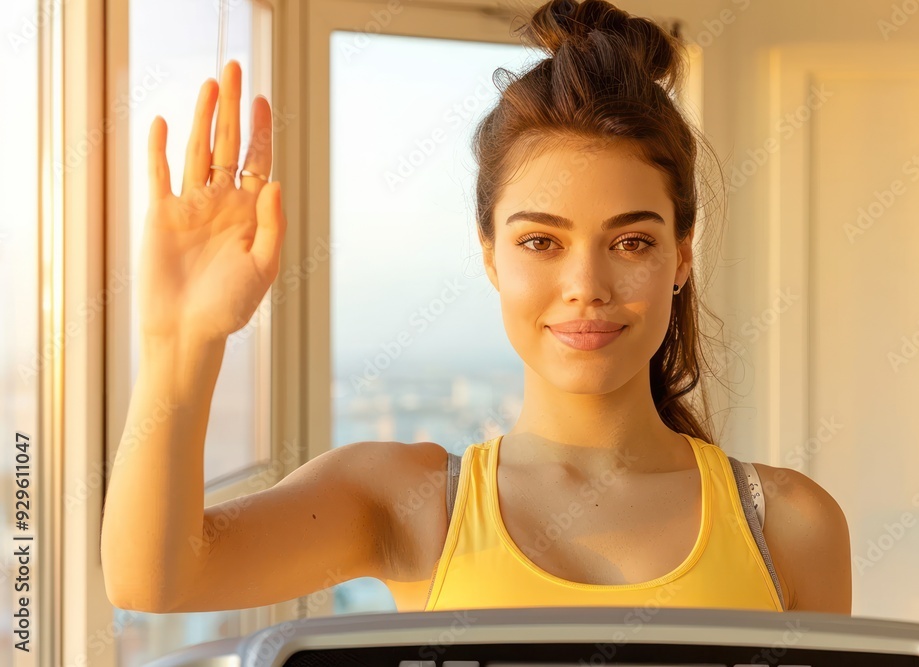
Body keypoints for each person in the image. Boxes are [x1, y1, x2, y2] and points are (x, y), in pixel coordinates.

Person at [100, 0, 851, 616]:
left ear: (681, 255)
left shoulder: (791, 524)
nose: (585, 284)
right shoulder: (408, 503)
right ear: (490, 254)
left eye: (630, 242)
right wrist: (180, 339)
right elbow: (156, 578)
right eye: (541, 242)